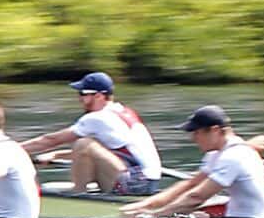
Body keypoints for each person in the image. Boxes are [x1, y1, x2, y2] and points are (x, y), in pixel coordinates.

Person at [120, 106, 264, 218]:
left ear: (215, 130)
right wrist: (146, 205)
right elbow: (190, 185)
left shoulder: (234, 156)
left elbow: (197, 197)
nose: (193, 138)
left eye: (196, 132)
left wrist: (155, 215)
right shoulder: (218, 153)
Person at [20, 72, 163, 196]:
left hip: (136, 183)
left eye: (83, 94)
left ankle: (78, 193)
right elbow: (105, 152)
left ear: (99, 96)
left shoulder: (97, 118)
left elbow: (51, 140)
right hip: (148, 182)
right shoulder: (123, 111)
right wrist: (56, 155)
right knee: (88, 145)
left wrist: (9, 148)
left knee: (83, 143)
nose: (80, 99)